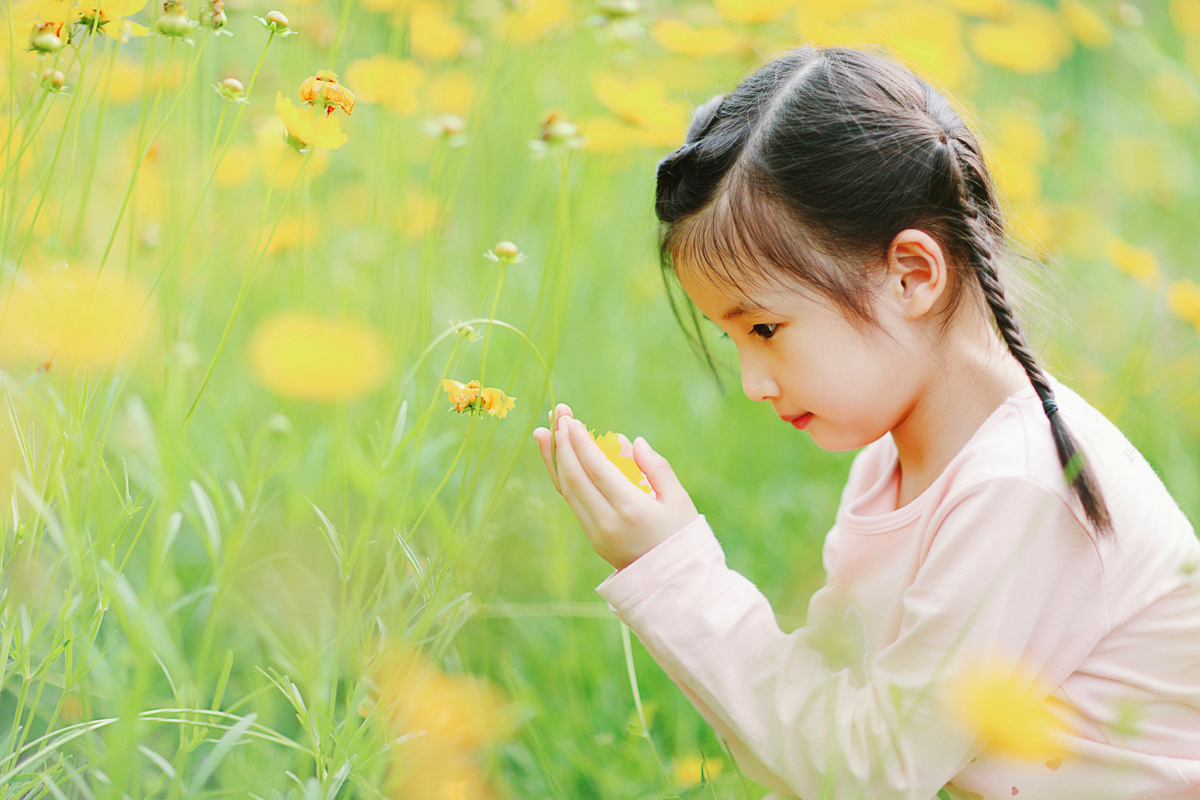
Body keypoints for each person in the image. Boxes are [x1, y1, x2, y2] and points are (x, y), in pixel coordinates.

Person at [531, 46, 1200, 800]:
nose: (753, 382)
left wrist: (678, 576)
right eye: (732, 339)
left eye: (766, 329)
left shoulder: (1020, 490)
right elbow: (818, 728)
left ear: (912, 275)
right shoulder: (897, 465)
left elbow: (867, 773)